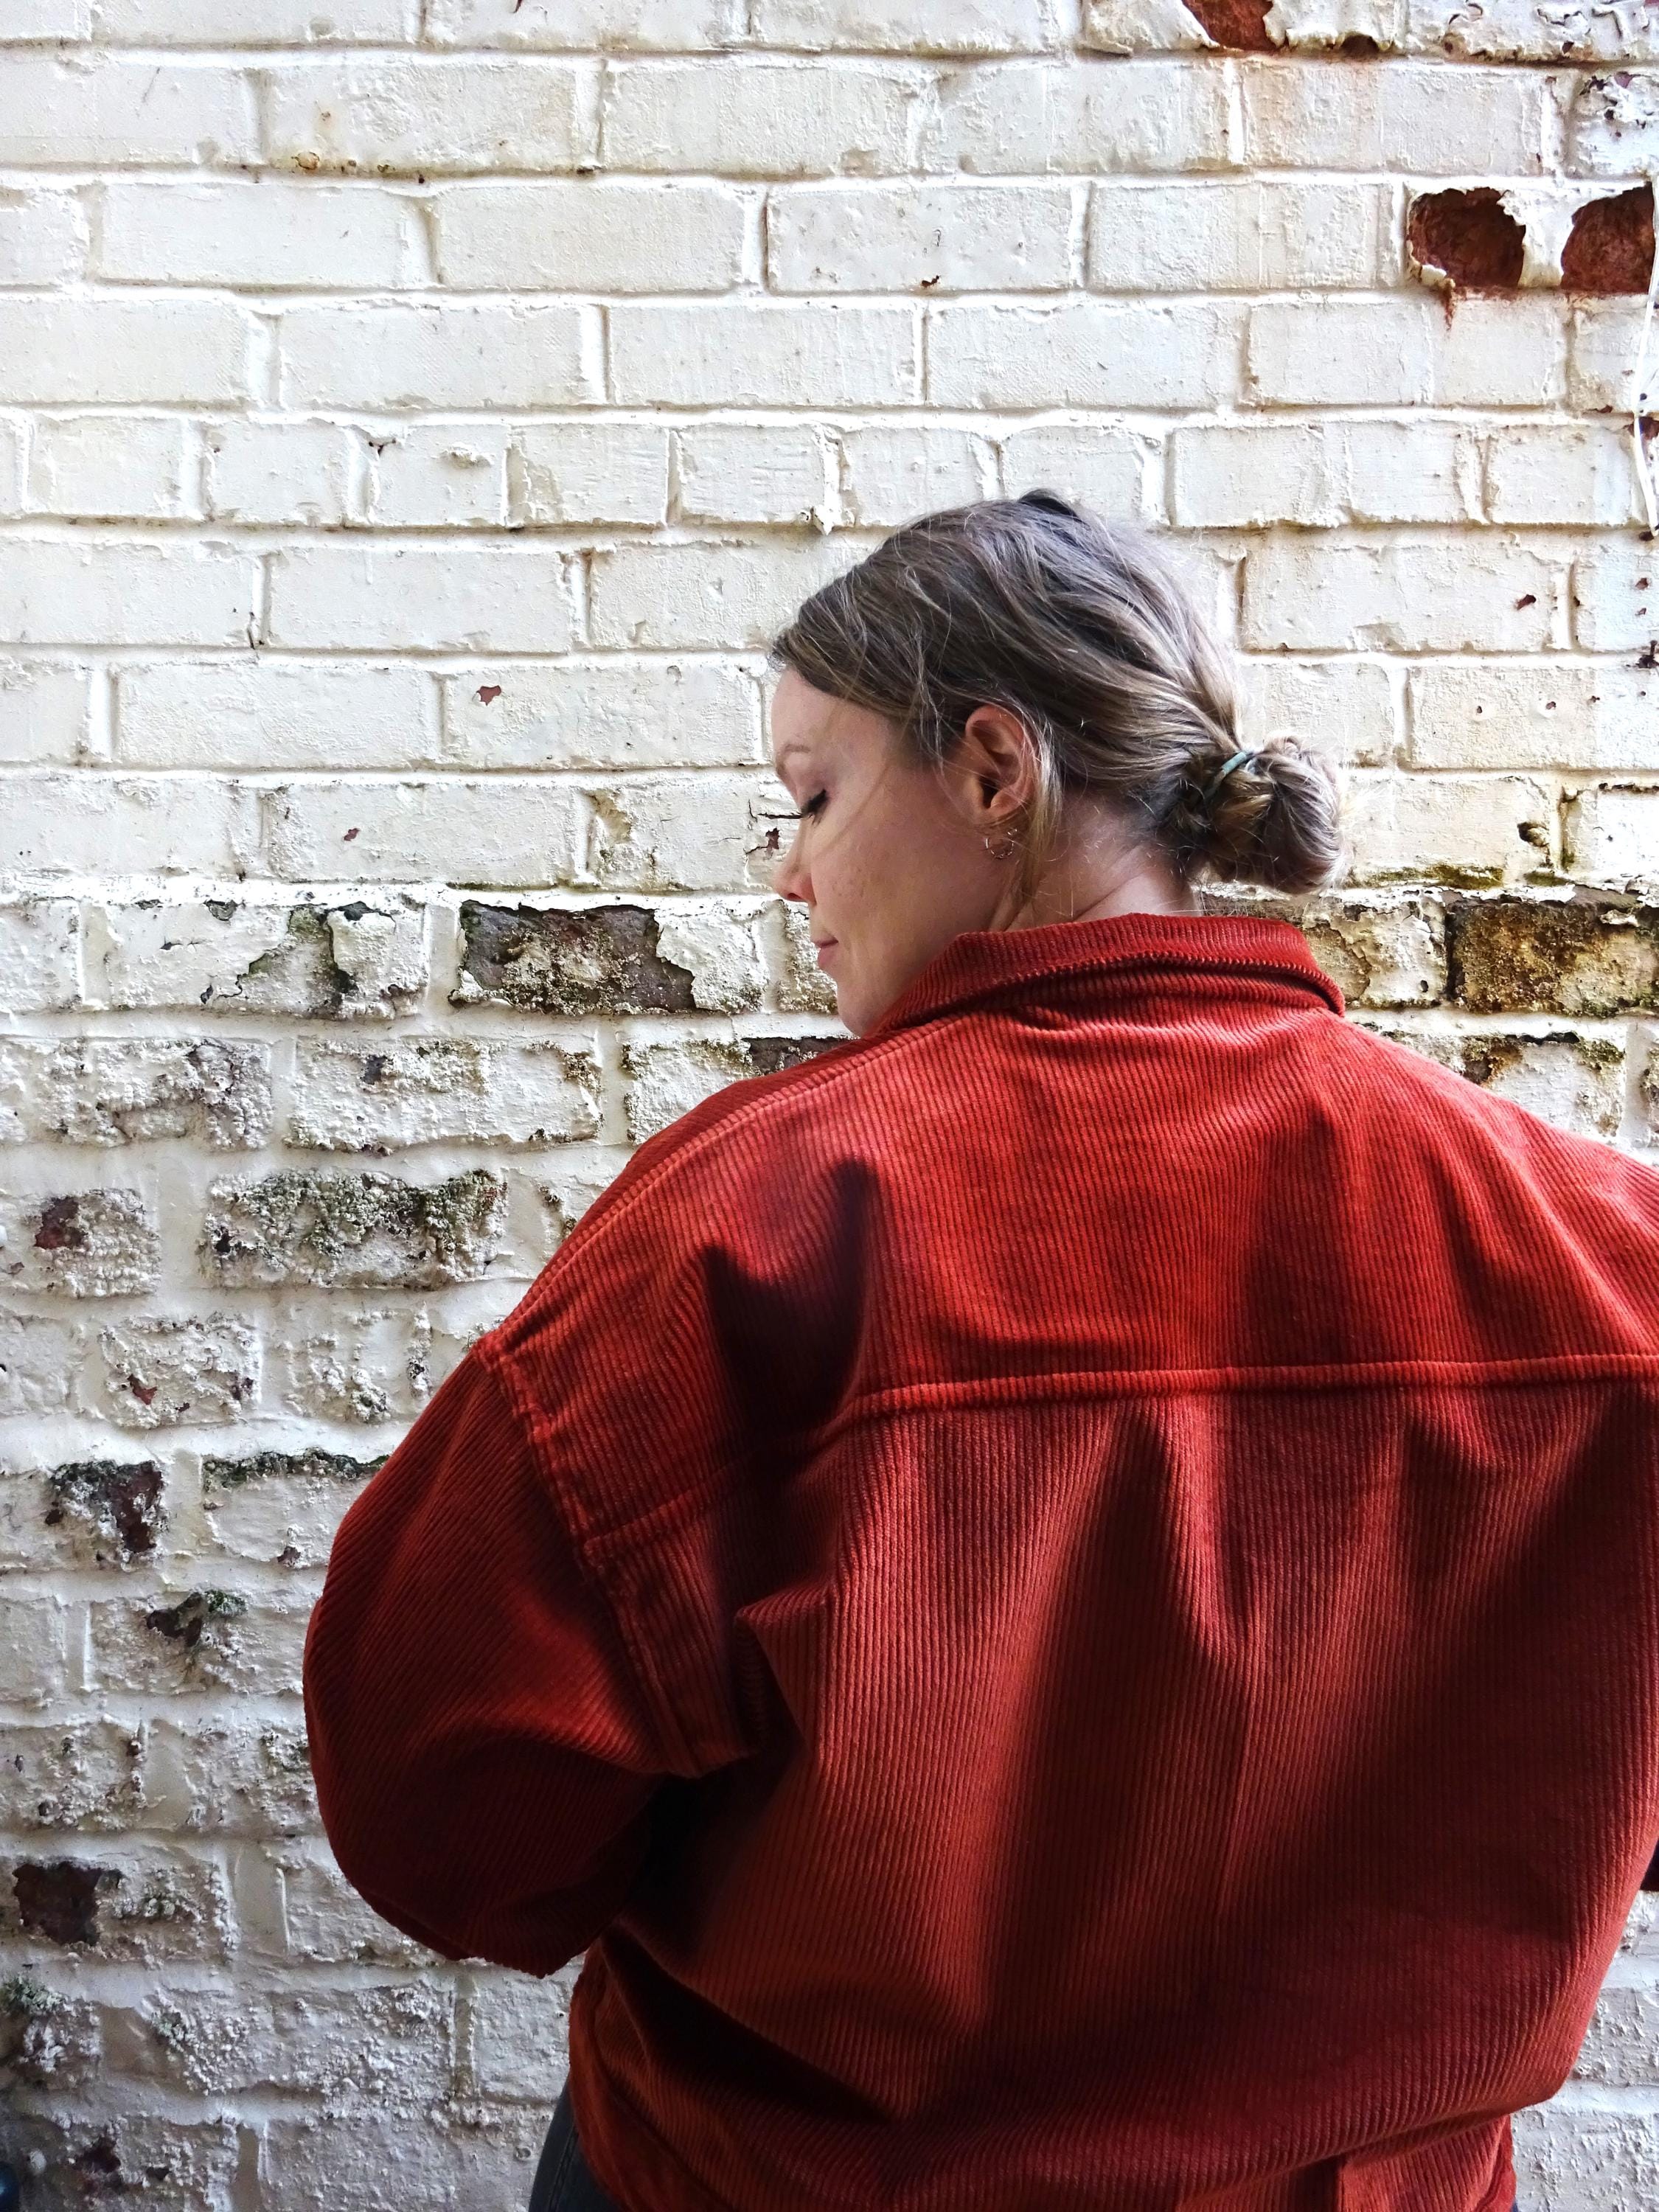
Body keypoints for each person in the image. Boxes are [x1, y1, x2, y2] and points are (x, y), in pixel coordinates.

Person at [302, 495, 1659, 2212]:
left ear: (995, 770)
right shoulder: (1603, 1262)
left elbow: (441, 1815)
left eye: (815, 795)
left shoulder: (745, 1231)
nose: (789, 869)